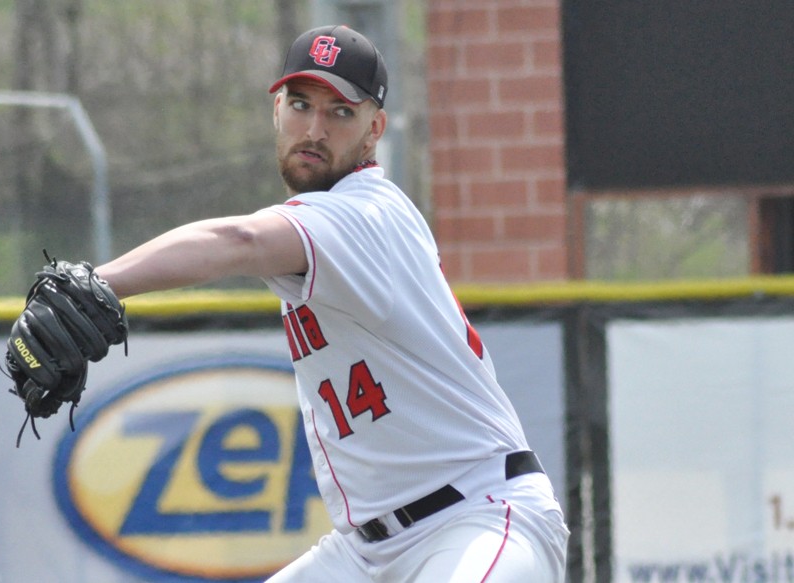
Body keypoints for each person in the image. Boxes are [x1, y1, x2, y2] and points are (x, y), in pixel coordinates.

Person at [94, 24, 569, 582]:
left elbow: (239, 242)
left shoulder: (364, 214)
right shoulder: (325, 219)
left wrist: (96, 283)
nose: (314, 129)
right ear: (276, 110)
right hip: (366, 551)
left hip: (476, 521)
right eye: (300, 104)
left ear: (375, 130)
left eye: (340, 112)